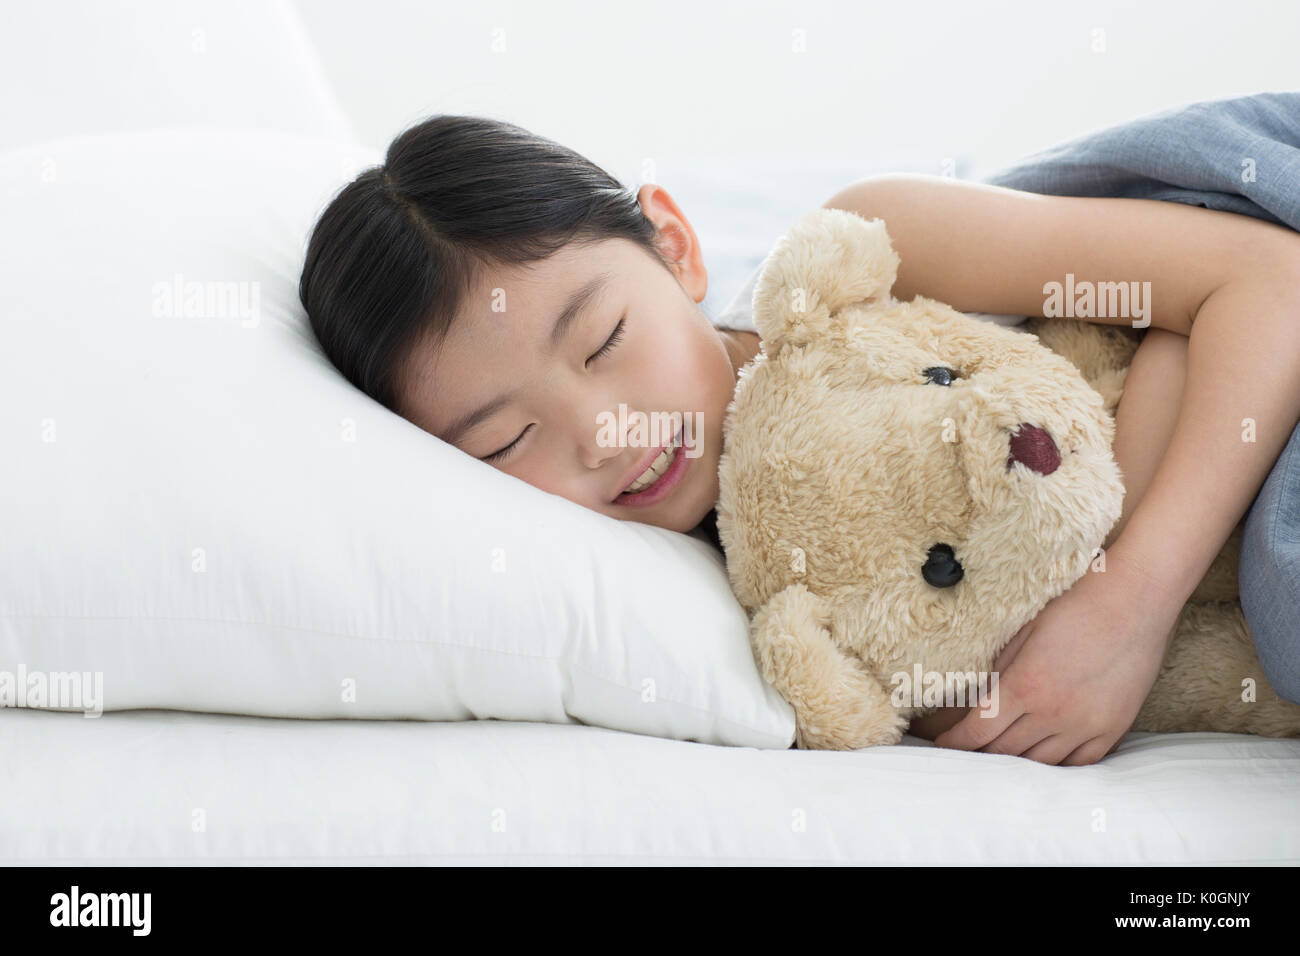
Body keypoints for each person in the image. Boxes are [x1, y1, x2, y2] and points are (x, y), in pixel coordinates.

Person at [300, 114, 1300, 766]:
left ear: (677, 248)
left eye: (604, 339)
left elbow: (1258, 279)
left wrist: (1126, 601)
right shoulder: (696, 595)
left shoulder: (866, 254)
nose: (606, 434)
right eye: (508, 438)